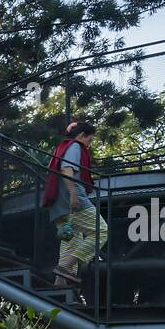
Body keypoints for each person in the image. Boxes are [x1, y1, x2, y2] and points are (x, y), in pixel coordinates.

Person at [43, 120, 106, 288]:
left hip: (58, 201)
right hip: (72, 199)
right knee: (101, 231)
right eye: (89, 140)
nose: (89, 144)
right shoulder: (75, 146)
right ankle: (65, 266)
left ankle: (60, 284)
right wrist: (73, 195)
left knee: (70, 239)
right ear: (81, 135)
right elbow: (67, 169)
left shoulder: (62, 147)